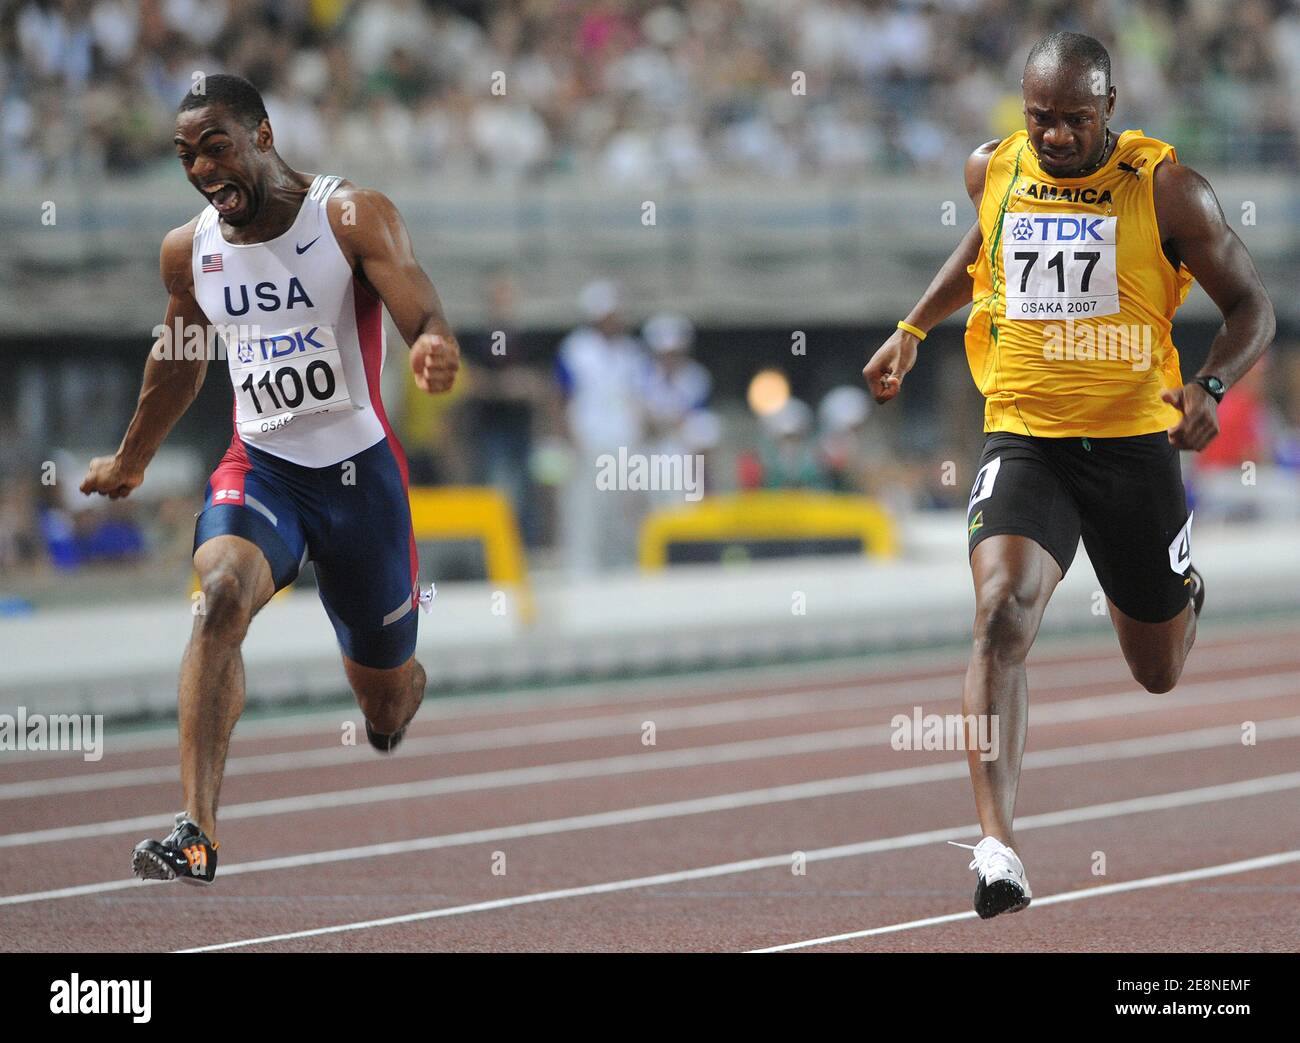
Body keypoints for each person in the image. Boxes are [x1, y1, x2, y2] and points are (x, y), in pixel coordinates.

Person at [862, 32, 1274, 919]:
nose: (1052, 136)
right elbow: (984, 249)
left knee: (1156, 668)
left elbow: (1253, 305)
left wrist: (1208, 383)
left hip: (1134, 445)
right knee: (998, 611)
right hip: (1027, 437)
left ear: (1110, 110)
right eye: (1038, 117)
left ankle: (1183, 587)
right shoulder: (994, 168)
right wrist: (914, 324)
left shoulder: (1166, 190)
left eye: (1072, 121)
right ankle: (997, 846)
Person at [79, 74, 461, 884]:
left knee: (384, 702)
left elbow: (418, 302)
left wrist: (431, 342)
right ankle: (196, 830)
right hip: (263, 469)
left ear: (262, 133)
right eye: (185, 156)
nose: (202, 170)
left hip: (362, 483)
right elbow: (178, 361)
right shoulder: (190, 250)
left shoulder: (350, 215)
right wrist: (132, 458)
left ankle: (397, 692)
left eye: (215, 146)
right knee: (218, 598)